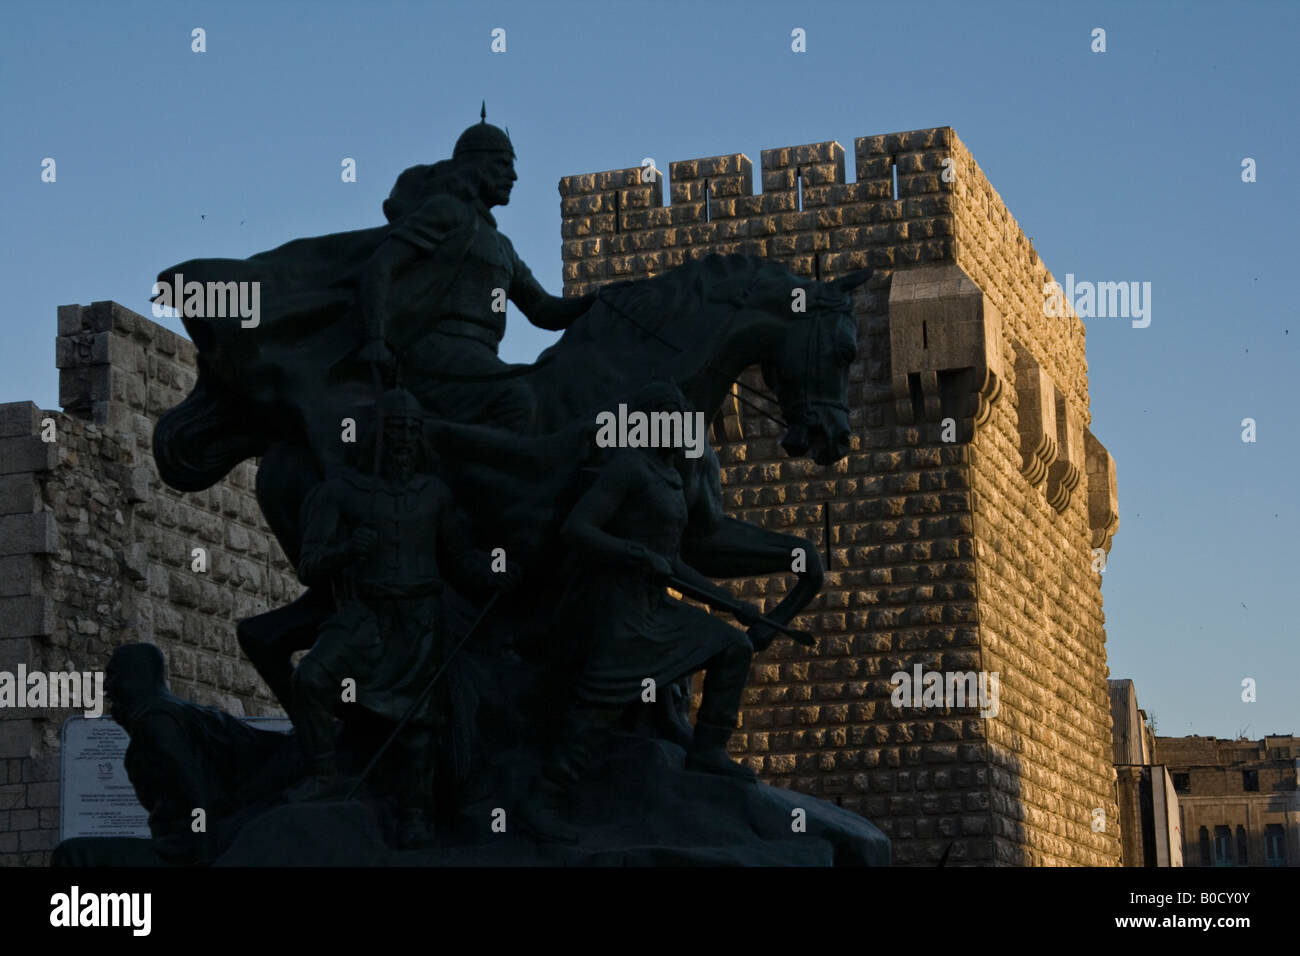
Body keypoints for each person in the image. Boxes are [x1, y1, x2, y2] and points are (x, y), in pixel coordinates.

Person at [518, 382, 762, 843]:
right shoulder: (628, 469)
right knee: (598, 706)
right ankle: (546, 798)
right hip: (618, 607)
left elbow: (672, 562)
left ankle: (708, 748)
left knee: (733, 644)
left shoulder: (672, 480)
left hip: (656, 605)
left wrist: (731, 603)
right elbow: (578, 529)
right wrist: (629, 552)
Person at [288, 388, 507, 850]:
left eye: (413, 430)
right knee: (311, 679)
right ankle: (323, 774)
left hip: (419, 619)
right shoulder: (341, 493)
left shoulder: (433, 494)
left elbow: (460, 559)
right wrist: (347, 550)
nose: (406, 440)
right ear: (377, 435)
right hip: (364, 615)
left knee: (420, 723)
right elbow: (310, 564)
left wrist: (495, 574)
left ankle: (416, 814)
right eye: (397, 430)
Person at [359, 104, 596, 431]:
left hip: (480, 357)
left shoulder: (502, 246)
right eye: (503, 165)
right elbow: (381, 267)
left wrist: (598, 300)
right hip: (434, 349)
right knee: (515, 398)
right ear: (476, 165)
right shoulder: (446, 212)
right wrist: (376, 338)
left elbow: (543, 309)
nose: (512, 176)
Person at [52, 643, 294, 866]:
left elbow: (197, 795)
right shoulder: (178, 714)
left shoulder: (156, 723)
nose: (107, 686)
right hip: (194, 841)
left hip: (189, 848)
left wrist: (202, 849)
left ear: (137, 676)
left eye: (113, 674)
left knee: (72, 855)